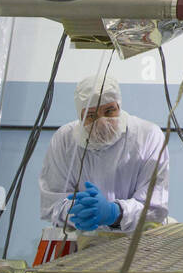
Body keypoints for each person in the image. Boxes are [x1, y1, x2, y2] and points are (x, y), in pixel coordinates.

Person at [39, 70, 169, 232]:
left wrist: (115, 212)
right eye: (91, 115)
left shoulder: (147, 136)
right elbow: (52, 202)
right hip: (83, 241)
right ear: (80, 117)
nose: (102, 123)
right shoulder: (65, 140)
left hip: (137, 242)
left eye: (109, 111)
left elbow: (154, 208)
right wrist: (75, 211)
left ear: (119, 106)